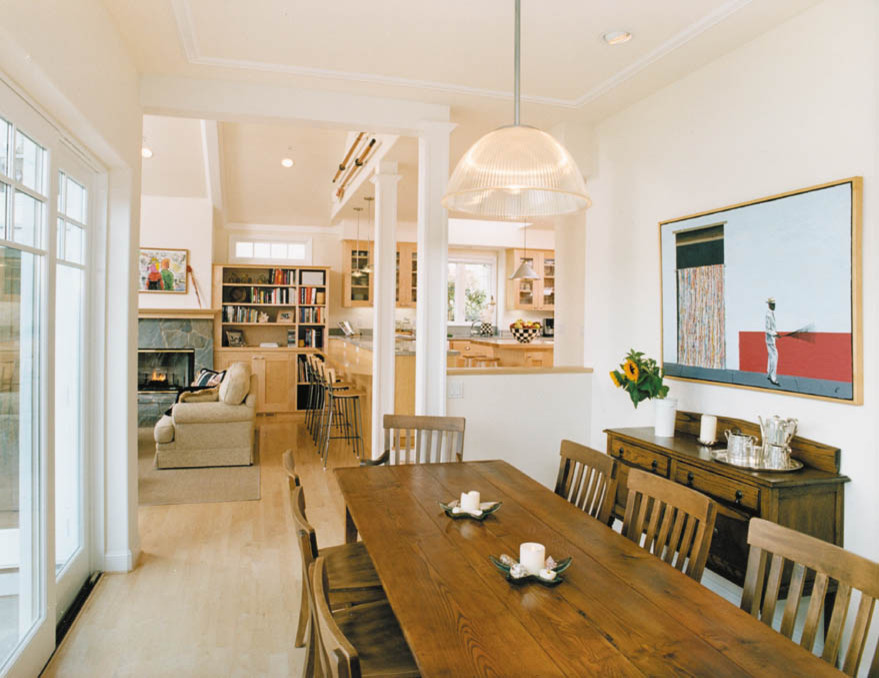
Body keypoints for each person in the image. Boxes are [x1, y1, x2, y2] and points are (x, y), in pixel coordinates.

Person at [765, 297, 779, 385]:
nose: (774, 306)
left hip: (772, 339)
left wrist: (776, 334)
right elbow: (767, 329)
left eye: (775, 304)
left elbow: (772, 328)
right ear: (769, 305)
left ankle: (769, 374)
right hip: (770, 340)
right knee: (775, 356)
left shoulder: (772, 313)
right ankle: (773, 378)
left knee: (771, 356)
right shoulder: (768, 315)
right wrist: (774, 334)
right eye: (773, 304)